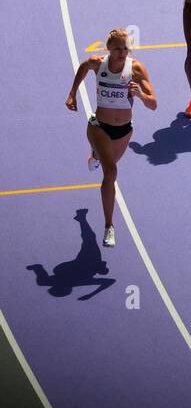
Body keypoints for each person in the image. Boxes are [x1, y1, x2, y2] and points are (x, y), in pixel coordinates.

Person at [65, 27, 157, 247]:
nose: (122, 52)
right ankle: (109, 226)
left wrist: (140, 94)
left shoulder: (135, 68)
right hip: (99, 127)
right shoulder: (98, 63)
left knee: (107, 162)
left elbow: (153, 104)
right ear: (108, 48)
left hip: (124, 130)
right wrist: (72, 93)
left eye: (125, 48)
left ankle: (95, 156)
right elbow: (83, 68)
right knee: (111, 171)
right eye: (117, 48)